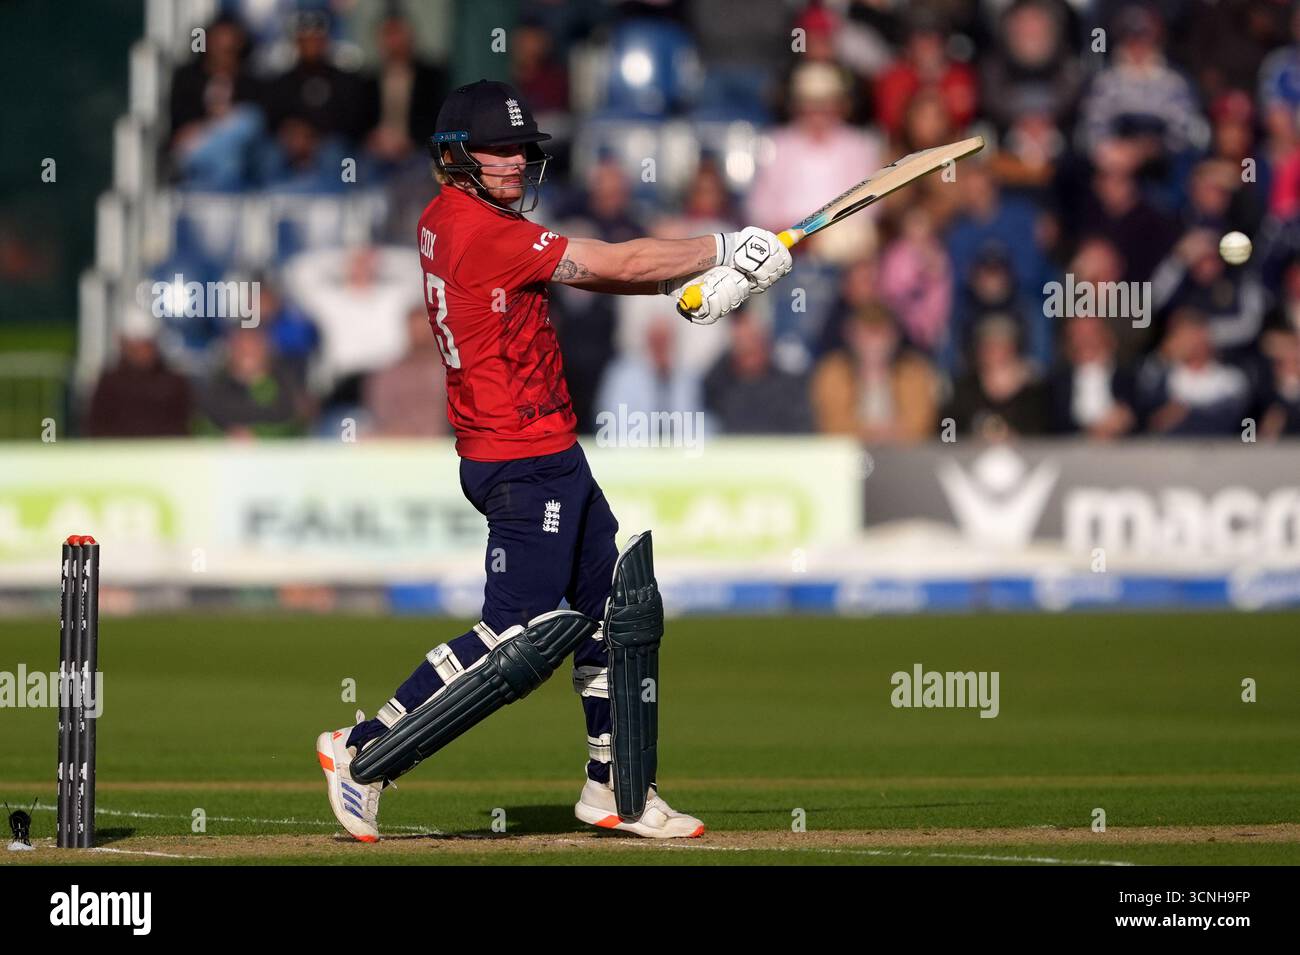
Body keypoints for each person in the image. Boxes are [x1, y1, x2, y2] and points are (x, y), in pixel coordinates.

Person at [315, 80, 792, 842]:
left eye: (521, 150)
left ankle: (618, 789)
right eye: (497, 150)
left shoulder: (444, 218)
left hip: (549, 451)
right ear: (455, 156)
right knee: (516, 642)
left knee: (618, 614)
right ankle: (363, 750)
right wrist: (724, 246)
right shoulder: (483, 233)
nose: (514, 163)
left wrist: (712, 276)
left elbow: (620, 270)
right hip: (517, 458)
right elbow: (615, 261)